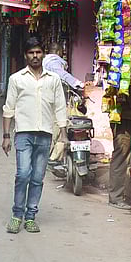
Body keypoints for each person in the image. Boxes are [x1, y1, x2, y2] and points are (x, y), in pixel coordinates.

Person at [2, 36, 68, 234]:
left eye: (38, 52)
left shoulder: (54, 80)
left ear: (43, 54)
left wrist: (63, 135)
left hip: (45, 134)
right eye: (31, 53)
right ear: (26, 56)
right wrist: (6, 136)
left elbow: (60, 107)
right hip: (23, 133)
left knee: (38, 177)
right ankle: (16, 215)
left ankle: (30, 217)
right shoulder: (16, 79)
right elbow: (9, 108)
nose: (35, 56)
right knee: (23, 174)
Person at [43, 47, 84, 177]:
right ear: (59, 51)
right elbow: (62, 74)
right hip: (56, 101)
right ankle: (53, 158)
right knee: (61, 127)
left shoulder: (45, 62)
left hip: (48, 100)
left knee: (53, 128)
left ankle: (46, 156)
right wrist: (78, 83)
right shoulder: (54, 62)